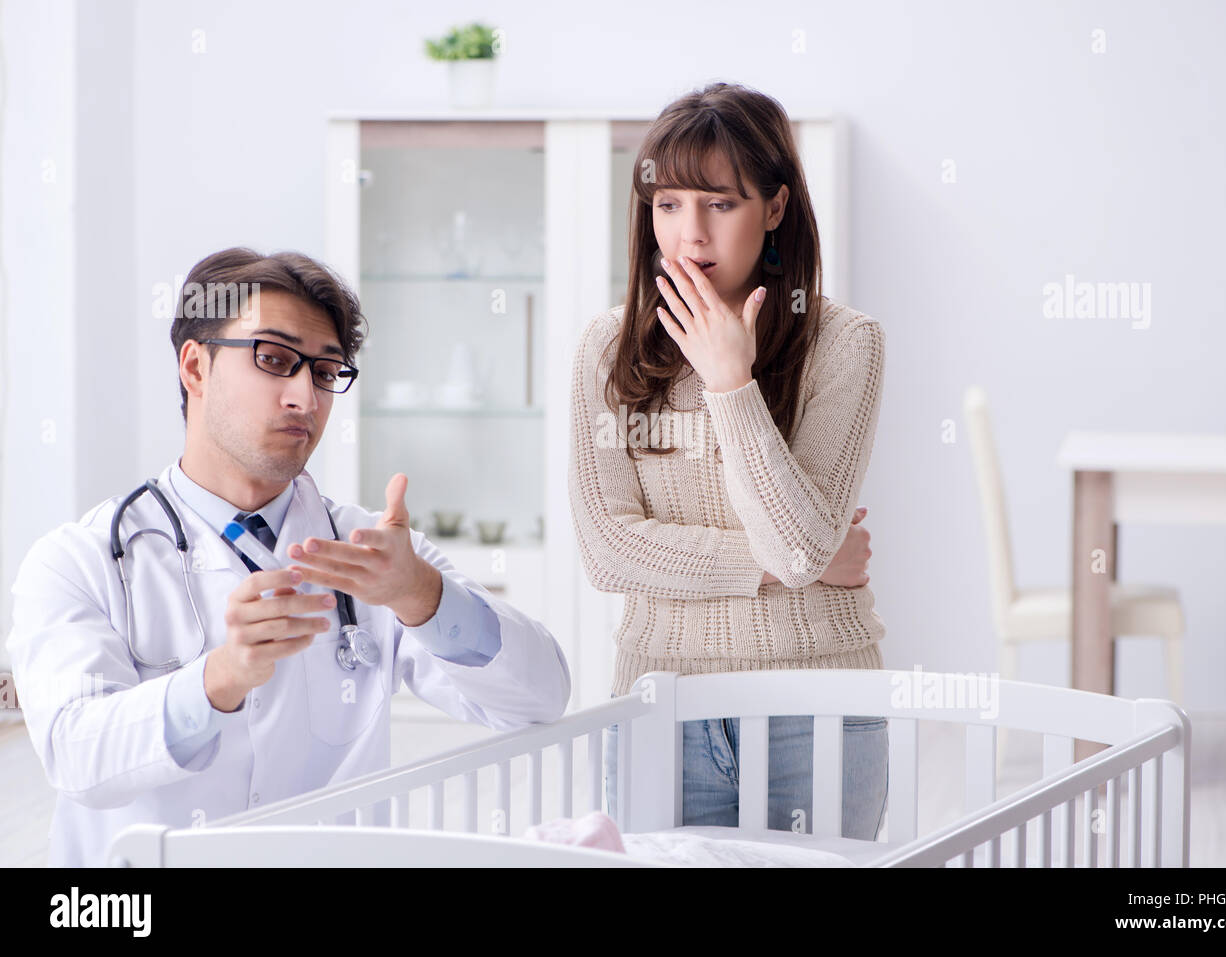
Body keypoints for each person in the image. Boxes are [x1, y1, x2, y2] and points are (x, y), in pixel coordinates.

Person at [6, 247, 570, 867]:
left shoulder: (373, 555)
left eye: (326, 372)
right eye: (275, 360)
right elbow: (74, 755)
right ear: (195, 368)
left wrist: (422, 597)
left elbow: (540, 699)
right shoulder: (80, 560)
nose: (306, 396)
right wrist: (216, 680)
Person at [568, 83, 888, 839]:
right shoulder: (605, 349)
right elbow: (607, 549)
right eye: (669, 204)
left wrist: (730, 383)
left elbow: (803, 546)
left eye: (720, 203)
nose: (690, 234)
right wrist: (777, 567)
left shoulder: (845, 344)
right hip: (659, 701)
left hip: (815, 707)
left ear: (775, 208)